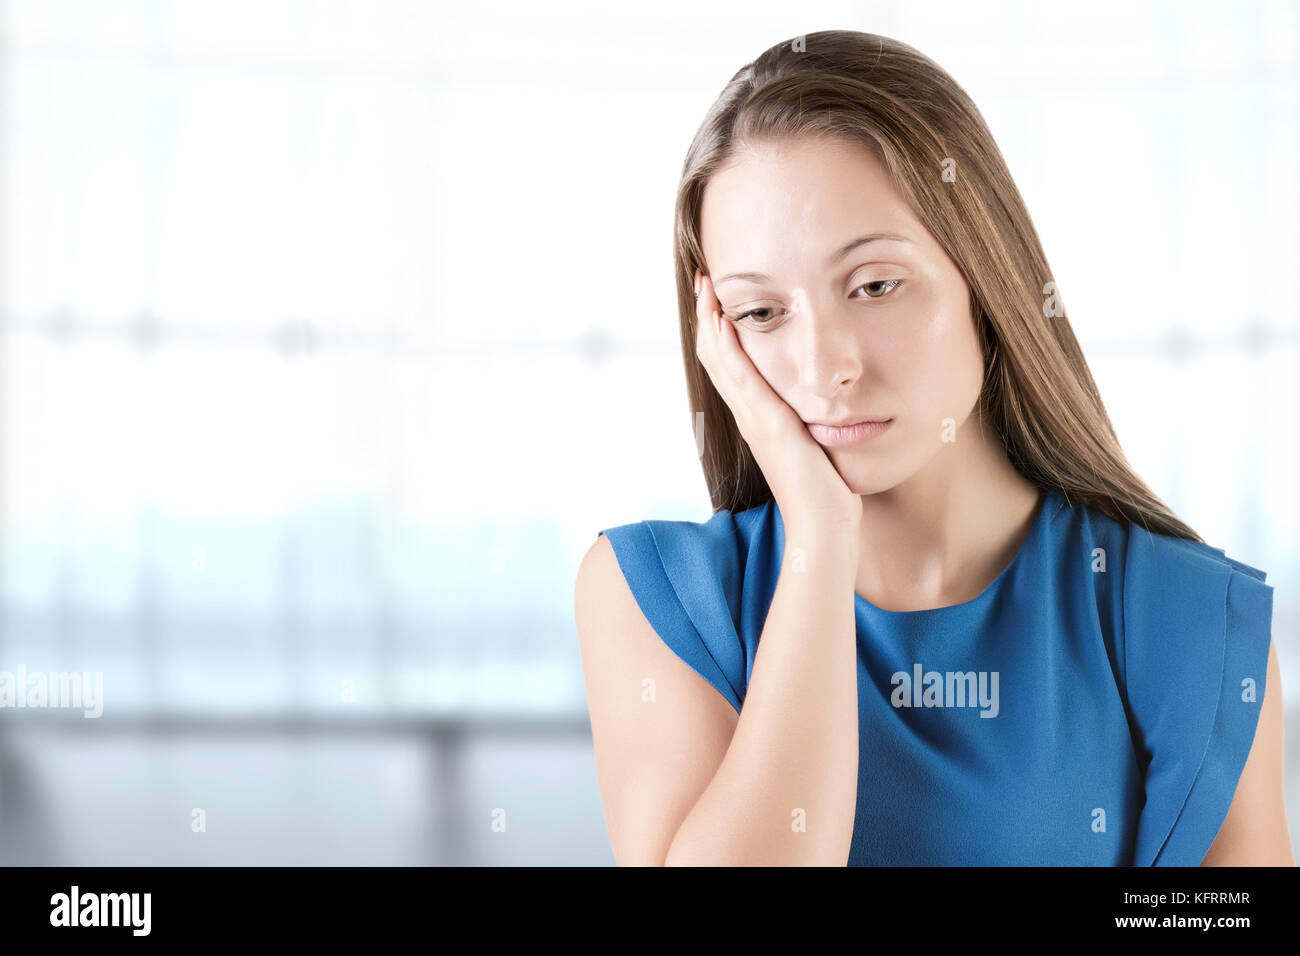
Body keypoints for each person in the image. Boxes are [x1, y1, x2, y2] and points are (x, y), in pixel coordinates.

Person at [573, 30, 1292, 866]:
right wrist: (818, 537)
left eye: (874, 285)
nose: (824, 366)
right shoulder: (659, 599)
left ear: (987, 279)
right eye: (763, 313)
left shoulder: (1184, 621)